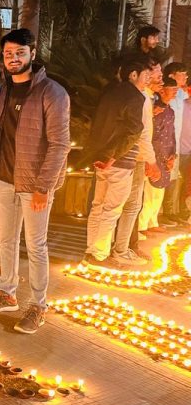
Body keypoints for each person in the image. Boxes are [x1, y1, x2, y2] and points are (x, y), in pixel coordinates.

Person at [0, 28, 70, 334]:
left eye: (19, 53)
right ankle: (7, 292)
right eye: (8, 54)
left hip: (34, 185)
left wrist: (45, 185)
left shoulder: (52, 93)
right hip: (4, 178)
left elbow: (59, 144)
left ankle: (38, 305)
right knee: (6, 240)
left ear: (32, 53)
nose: (13, 59)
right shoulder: (5, 89)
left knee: (36, 245)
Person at [81, 59, 151, 267]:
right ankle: (99, 255)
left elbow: (97, 124)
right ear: (133, 75)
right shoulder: (135, 97)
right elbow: (133, 130)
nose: (148, 77)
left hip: (100, 157)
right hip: (119, 160)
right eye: (145, 73)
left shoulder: (110, 92)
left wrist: (99, 154)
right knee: (111, 208)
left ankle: (91, 250)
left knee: (98, 205)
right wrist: (114, 155)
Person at [112, 58, 162, 265]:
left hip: (134, 155)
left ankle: (125, 247)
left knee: (129, 204)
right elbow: (140, 133)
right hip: (135, 157)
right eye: (151, 72)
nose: (156, 76)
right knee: (130, 204)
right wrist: (151, 160)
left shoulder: (143, 96)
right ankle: (121, 249)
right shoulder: (138, 98)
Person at [139, 79, 178, 234]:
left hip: (166, 155)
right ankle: (141, 226)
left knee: (159, 191)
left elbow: (172, 134)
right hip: (154, 155)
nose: (176, 92)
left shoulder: (170, 111)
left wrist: (172, 155)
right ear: (162, 91)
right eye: (172, 89)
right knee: (149, 191)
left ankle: (152, 221)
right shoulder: (154, 110)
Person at [160, 62, 189, 225]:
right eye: (182, 73)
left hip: (178, 143)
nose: (185, 77)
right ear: (171, 75)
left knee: (175, 177)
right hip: (165, 142)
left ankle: (171, 211)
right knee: (166, 176)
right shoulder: (166, 95)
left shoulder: (182, 95)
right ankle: (163, 213)